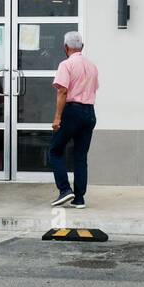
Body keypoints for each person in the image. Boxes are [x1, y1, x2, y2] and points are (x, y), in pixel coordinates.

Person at [48, 30, 99, 208]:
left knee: (54, 151)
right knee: (80, 156)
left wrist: (57, 117)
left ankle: (64, 190)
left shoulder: (66, 65)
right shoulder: (92, 66)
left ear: (65, 47)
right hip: (90, 113)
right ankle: (79, 198)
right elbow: (94, 89)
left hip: (72, 112)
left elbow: (62, 91)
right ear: (82, 47)